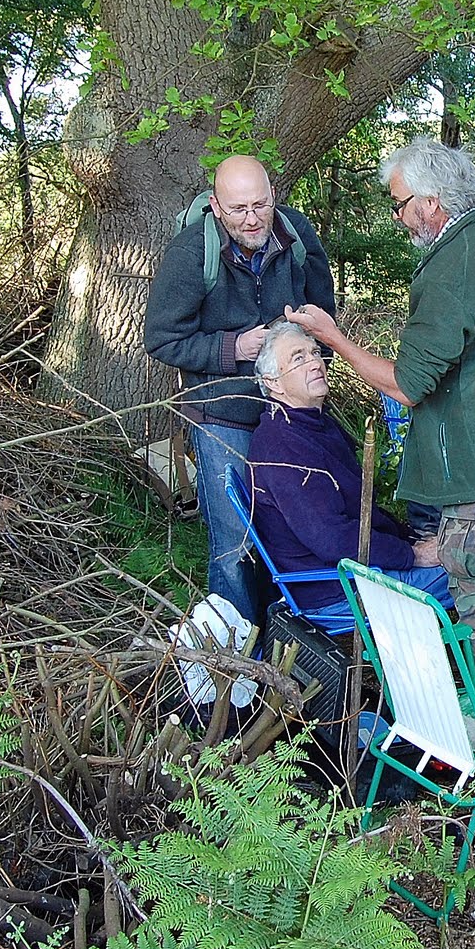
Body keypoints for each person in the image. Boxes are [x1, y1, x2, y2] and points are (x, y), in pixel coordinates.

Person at [287, 138, 475, 686]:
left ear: (432, 201)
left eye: (399, 203)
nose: (398, 218)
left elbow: (409, 387)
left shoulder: (451, 264)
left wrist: (333, 337)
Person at [144, 154, 335, 619]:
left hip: (289, 414)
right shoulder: (192, 254)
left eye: (260, 205)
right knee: (235, 542)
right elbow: (162, 340)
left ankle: (289, 646)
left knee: (291, 530)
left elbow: (323, 313)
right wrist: (235, 348)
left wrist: (302, 346)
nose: (252, 219)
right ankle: (235, 668)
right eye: (238, 210)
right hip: (221, 415)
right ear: (215, 206)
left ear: (273, 197)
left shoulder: (295, 234)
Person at [246, 322, 450, 632]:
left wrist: (409, 538)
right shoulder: (281, 446)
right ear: (273, 382)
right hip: (338, 590)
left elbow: (361, 508)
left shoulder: (313, 425)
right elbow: (331, 539)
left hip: (359, 571)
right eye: (298, 358)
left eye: (315, 352)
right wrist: (412, 554)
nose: (315, 362)